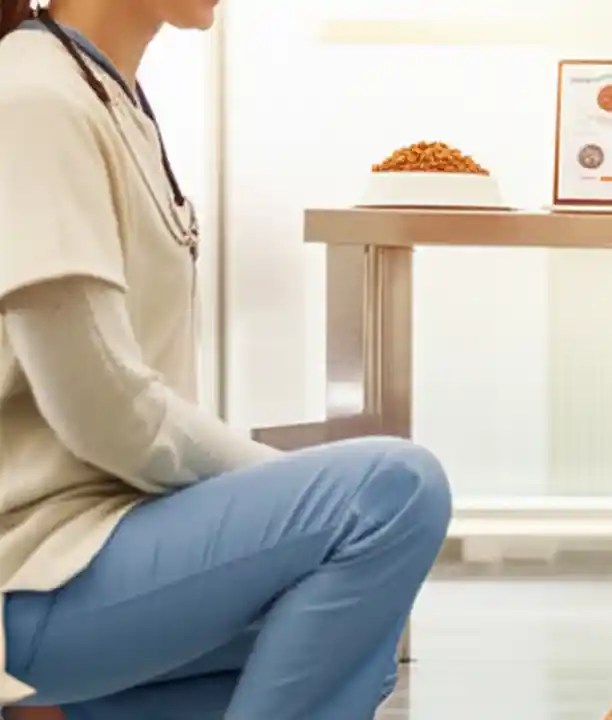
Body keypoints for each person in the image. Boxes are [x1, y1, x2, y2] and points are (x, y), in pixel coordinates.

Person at [0, 1, 453, 718]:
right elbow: (105, 412)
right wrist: (289, 481)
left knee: (357, 638)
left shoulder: (106, 93)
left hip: (97, 554)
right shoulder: (34, 99)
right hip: (38, 572)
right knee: (393, 492)